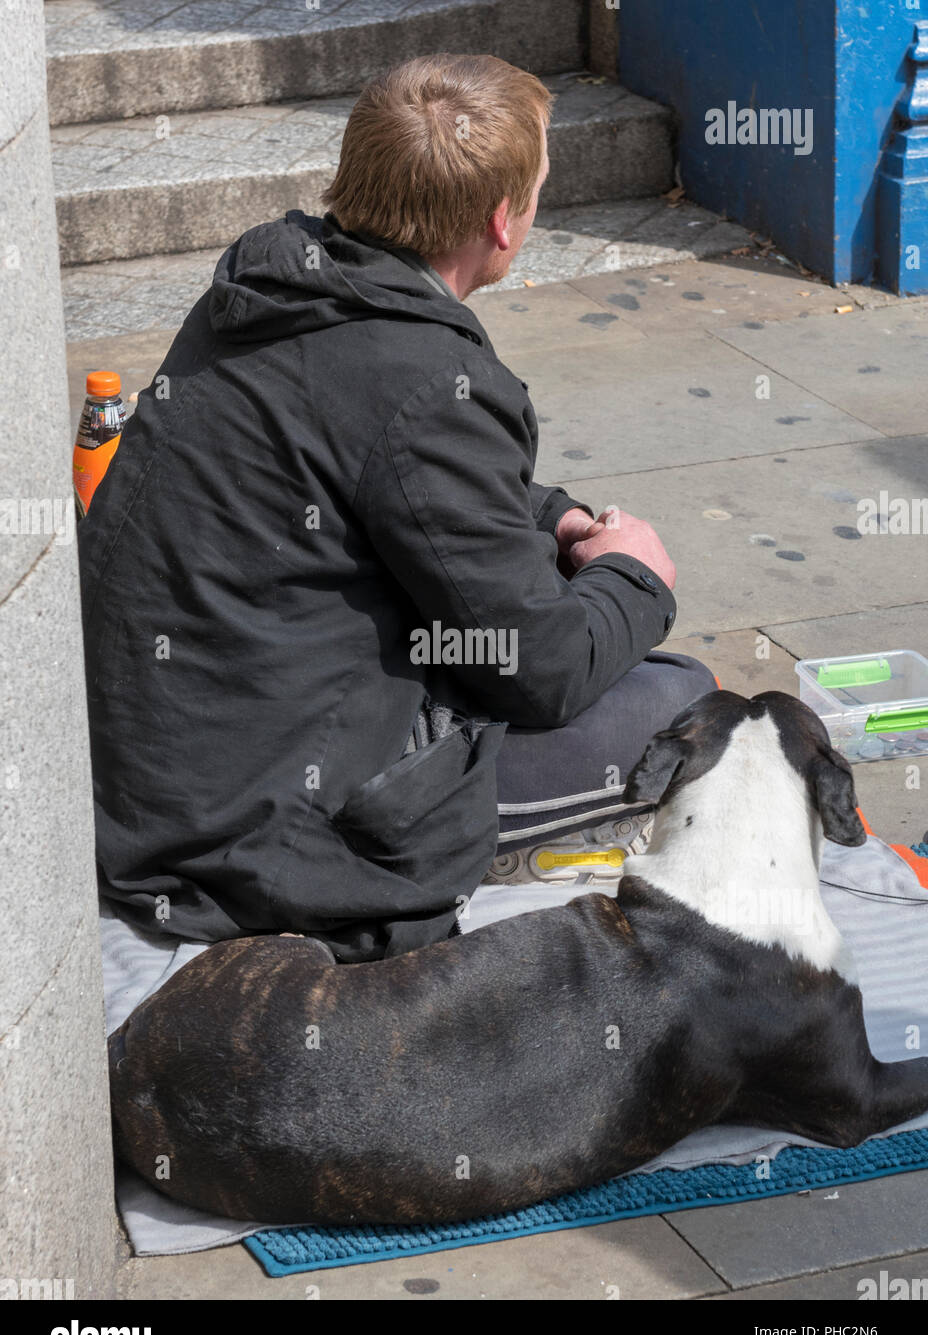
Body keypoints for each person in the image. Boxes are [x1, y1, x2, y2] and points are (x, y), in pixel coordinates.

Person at [78, 53, 714, 963]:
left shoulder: (271, 288)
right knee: (683, 698)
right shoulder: (428, 386)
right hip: (247, 837)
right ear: (503, 220)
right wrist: (635, 576)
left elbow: (367, 466)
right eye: (536, 190)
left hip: (149, 774)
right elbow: (539, 671)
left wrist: (555, 519)